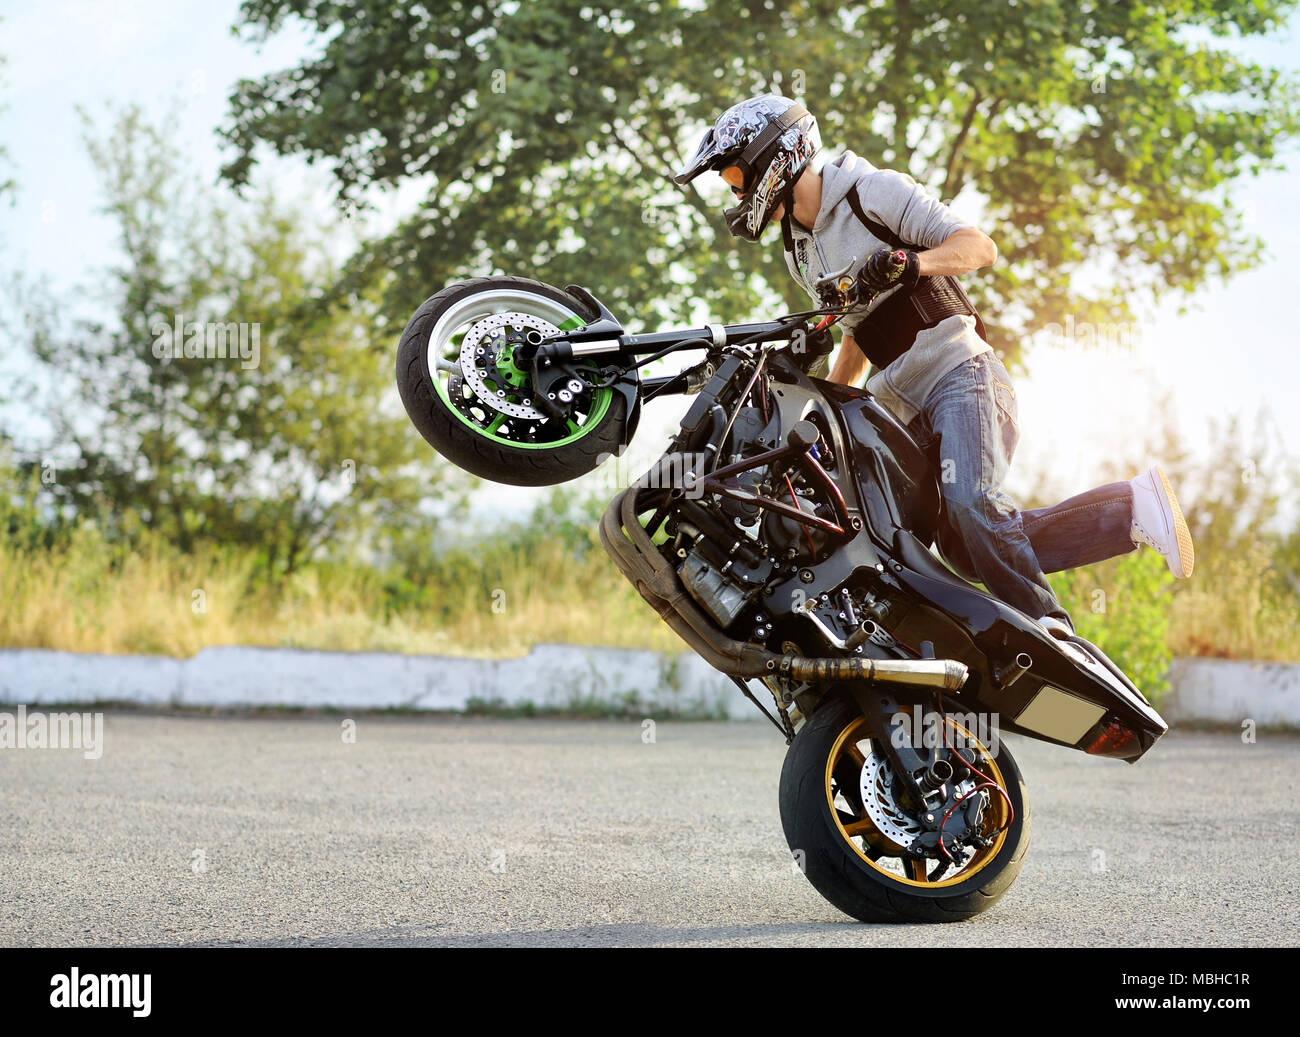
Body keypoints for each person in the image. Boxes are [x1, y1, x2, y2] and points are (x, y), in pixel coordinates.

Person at [673, 94, 1194, 636]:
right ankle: (1130, 508)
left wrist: (911, 264)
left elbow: (979, 247)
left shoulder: (870, 191)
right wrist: (817, 416)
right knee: (967, 550)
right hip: (905, 407)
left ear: (776, 157)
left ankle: (1050, 628)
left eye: (736, 176)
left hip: (960, 375)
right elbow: (855, 334)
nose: (736, 193)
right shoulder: (798, 249)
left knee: (972, 503)